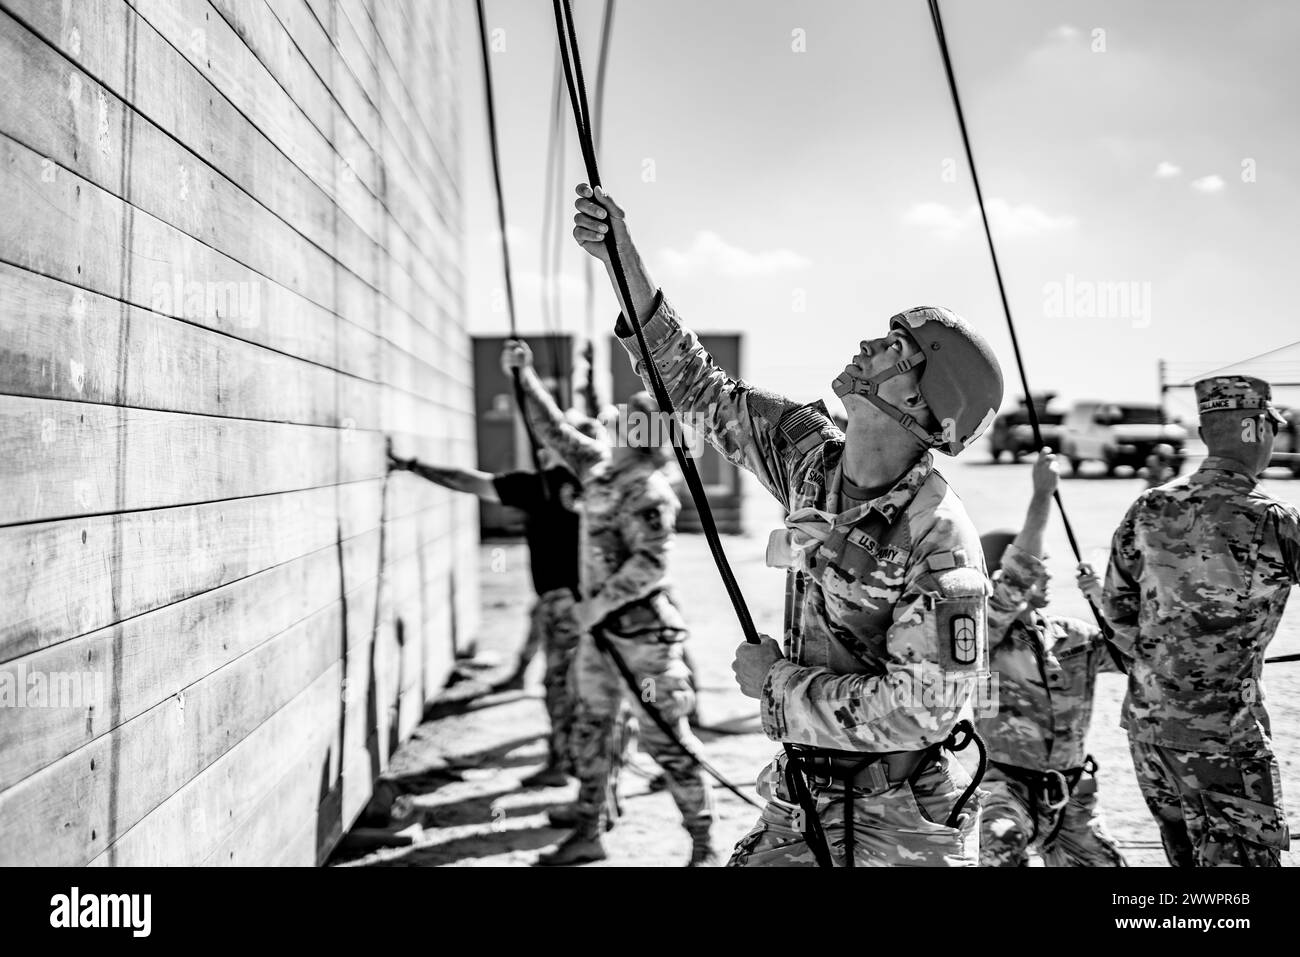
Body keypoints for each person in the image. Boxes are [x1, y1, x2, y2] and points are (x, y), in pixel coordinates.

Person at [570, 182, 1004, 866]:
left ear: (920, 400)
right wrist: (621, 263)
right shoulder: (808, 457)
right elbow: (698, 388)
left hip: (899, 825)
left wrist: (776, 683)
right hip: (806, 796)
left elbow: (921, 709)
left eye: (895, 345)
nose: (868, 343)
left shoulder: (939, 540)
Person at [502, 344, 716, 866]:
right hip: (598, 640)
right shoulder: (597, 468)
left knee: (668, 742)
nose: (613, 418)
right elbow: (551, 432)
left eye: (625, 417)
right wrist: (524, 376)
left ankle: (705, 845)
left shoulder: (649, 492)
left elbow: (651, 565)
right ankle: (589, 828)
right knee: (590, 729)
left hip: (641, 640)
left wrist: (595, 607)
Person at [1103, 375, 1298, 866]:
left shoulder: (1149, 507)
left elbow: (1117, 612)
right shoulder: (1273, 520)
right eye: (1272, 427)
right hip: (1224, 740)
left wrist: (1166, 663)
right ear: (1255, 429)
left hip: (1150, 733)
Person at [387, 432, 593, 789]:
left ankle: (564, 765)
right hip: (599, 605)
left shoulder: (539, 487)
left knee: (560, 687)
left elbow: (464, 480)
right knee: (598, 686)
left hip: (563, 604)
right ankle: (599, 780)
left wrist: (412, 465)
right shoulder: (603, 487)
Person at [977, 450, 1126, 867]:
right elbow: (1016, 578)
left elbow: (1134, 657)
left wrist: (1102, 595)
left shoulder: (1072, 635)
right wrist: (1042, 495)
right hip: (1006, 792)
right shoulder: (983, 637)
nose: (1045, 572)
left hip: (1071, 797)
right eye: (1039, 564)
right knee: (997, 851)